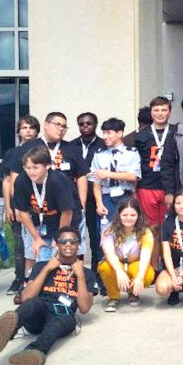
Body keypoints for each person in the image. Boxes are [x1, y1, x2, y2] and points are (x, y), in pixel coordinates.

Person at [0, 226, 95, 365]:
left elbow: (84, 308)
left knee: (58, 323)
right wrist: (47, 269)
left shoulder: (87, 274)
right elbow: (26, 297)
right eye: (63, 241)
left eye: (73, 241)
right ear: (56, 244)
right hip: (41, 308)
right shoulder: (41, 266)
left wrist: (80, 276)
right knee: (32, 303)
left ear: (79, 244)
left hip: (64, 312)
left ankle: (33, 352)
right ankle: (10, 329)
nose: (68, 244)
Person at [12, 147, 82, 272]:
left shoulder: (57, 180)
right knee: (43, 259)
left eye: (35, 167)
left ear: (47, 166)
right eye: (28, 168)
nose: (31, 172)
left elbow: (67, 211)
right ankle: (36, 285)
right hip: (41, 222)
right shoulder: (22, 180)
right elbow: (23, 212)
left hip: (67, 221)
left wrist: (59, 238)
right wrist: (36, 238)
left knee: (63, 256)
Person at [2, 115, 41, 295]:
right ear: (18, 131)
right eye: (24, 127)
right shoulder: (12, 154)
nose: (27, 131)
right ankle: (19, 279)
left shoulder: (41, 151)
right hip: (18, 206)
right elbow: (8, 181)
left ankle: (38, 279)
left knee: (39, 243)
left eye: (31, 128)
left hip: (38, 206)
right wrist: (9, 207)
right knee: (20, 245)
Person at [97, 198, 156, 311]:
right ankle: (113, 297)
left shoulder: (145, 231)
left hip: (134, 263)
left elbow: (146, 256)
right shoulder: (109, 230)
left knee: (147, 274)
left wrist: (140, 277)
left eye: (133, 215)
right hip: (117, 262)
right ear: (119, 215)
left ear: (138, 215)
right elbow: (109, 253)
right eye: (125, 215)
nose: (128, 218)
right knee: (105, 267)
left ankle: (133, 293)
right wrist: (119, 271)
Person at [135, 96, 179, 226]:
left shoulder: (177, 132)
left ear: (169, 112)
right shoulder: (140, 136)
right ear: (151, 112)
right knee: (150, 226)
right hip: (147, 186)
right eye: (156, 110)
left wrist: (171, 190)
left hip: (171, 186)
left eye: (164, 110)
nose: (160, 113)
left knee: (170, 224)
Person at [91, 117, 141, 226]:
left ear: (119, 134)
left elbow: (133, 176)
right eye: (103, 133)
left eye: (109, 133)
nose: (105, 137)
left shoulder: (131, 153)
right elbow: (96, 182)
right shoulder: (99, 154)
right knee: (106, 231)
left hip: (125, 195)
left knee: (126, 229)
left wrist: (107, 174)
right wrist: (99, 203)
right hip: (106, 196)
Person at [72, 112, 104, 273]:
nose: (85, 126)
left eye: (88, 123)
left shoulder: (103, 145)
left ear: (95, 124)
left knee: (96, 237)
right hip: (75, 199)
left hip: (97, 197)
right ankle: (79, 273)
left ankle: (96, 274)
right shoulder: (70, 146)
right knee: (76, 237)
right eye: (82, 124)